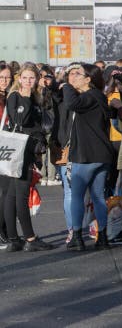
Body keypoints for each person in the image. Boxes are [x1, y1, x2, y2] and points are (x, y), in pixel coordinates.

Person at [62, 63, 117, 251]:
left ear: (88, 79)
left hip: (87, 155)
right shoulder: (98, 96)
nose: (72, 76)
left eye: (77, 74)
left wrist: (66, 86)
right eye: (71, 74)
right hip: (101, 154)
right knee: (98, 196)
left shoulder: (89, 96)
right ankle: (102, 236)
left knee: (77, 195)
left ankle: (77, 236)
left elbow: (71, 104)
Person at [4, 63, 52, 251]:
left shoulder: (35, 96)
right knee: (19, 194)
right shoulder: (16, 96)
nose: (28, 81)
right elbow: (20, 121)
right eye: (24, 78)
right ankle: (30, 238)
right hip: (19, 149)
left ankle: (14, 239)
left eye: (31, 78)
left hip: (28, 149)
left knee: (13, 194)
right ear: (19, 78)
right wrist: (24, 97)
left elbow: (40, 124)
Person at [0, 62, 15, 249]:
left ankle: (5, 230)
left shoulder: (9, 96)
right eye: (1, 77)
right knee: (4, 192)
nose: (4, 81)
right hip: (3, 146)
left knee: (6, 192)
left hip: (9, 146)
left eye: (7, 77)